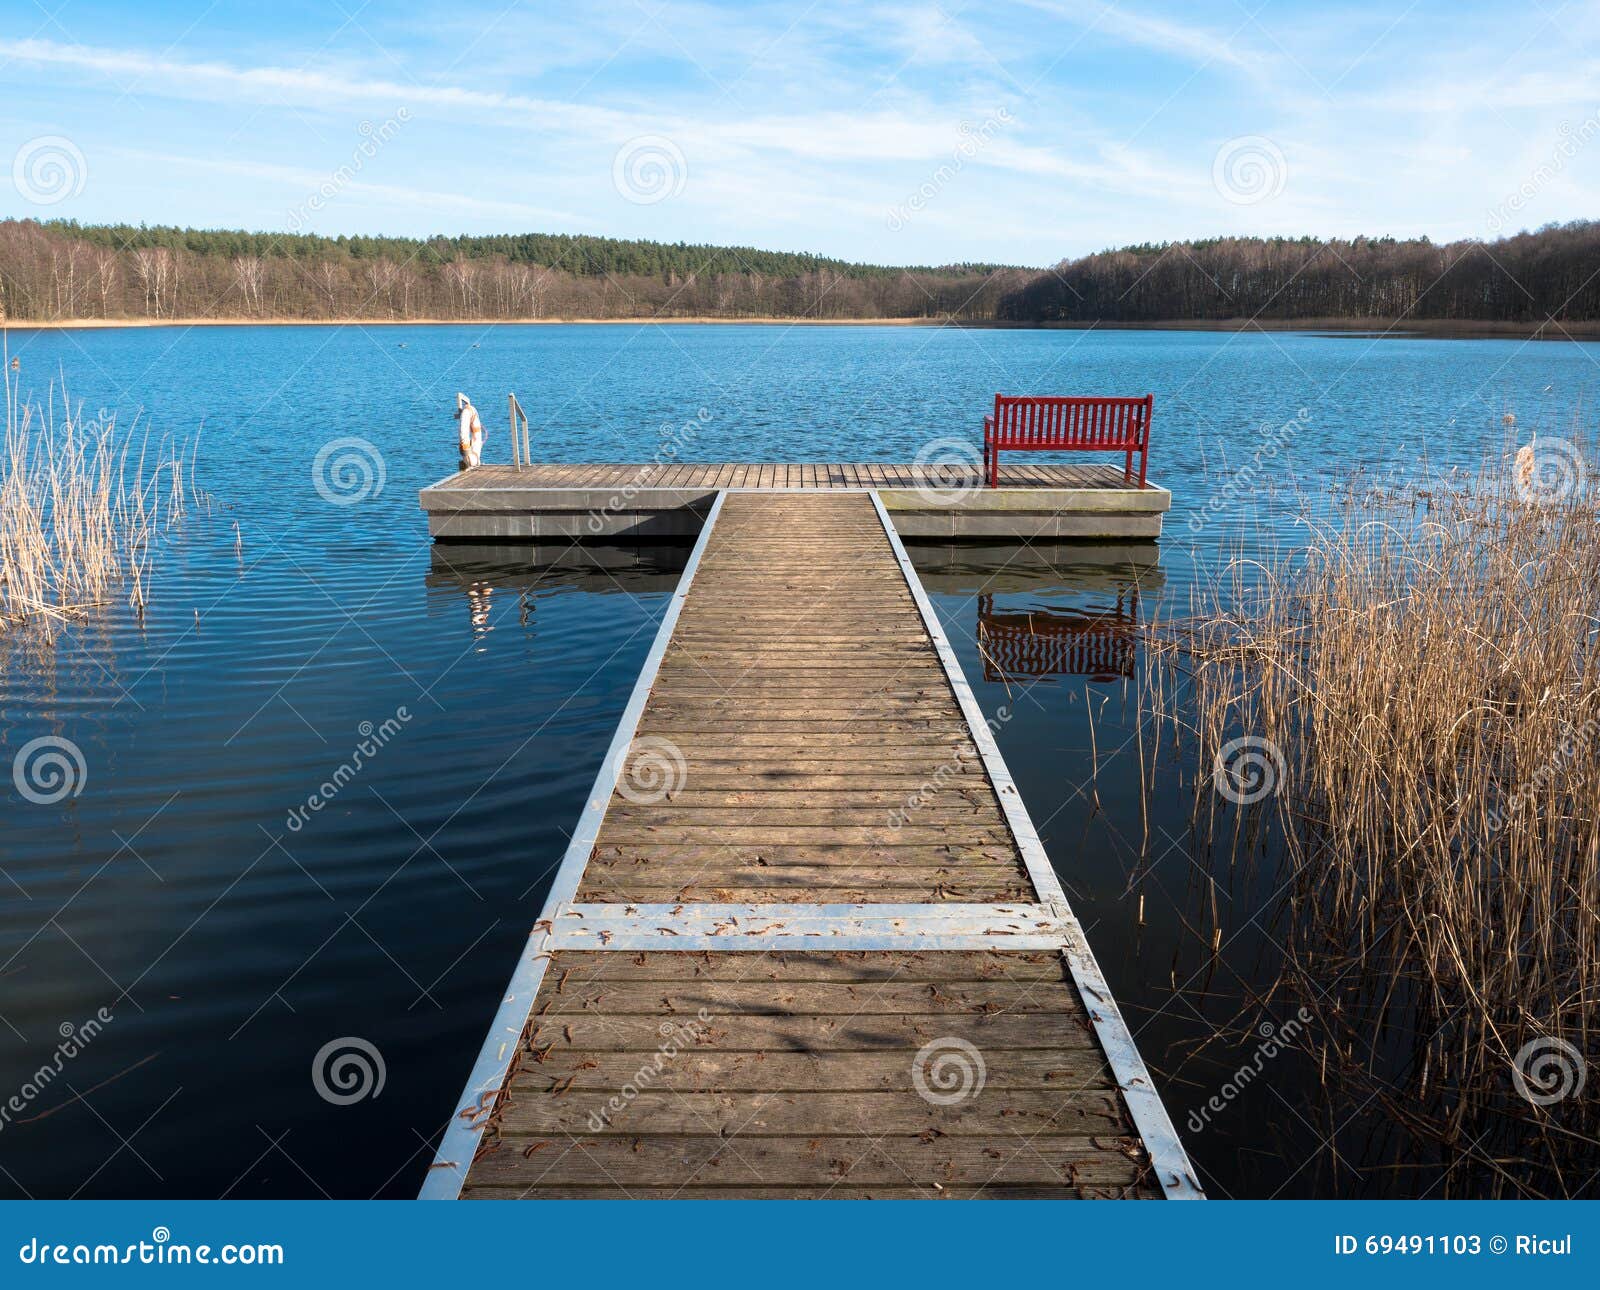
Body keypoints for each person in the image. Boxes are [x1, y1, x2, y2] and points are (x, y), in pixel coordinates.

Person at [456, 393, 484, 470]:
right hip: (471, 457)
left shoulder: (468, 412)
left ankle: (469, 461)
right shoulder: (468, 412)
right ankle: (471, 460)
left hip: (470, 457)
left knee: (466, 436)